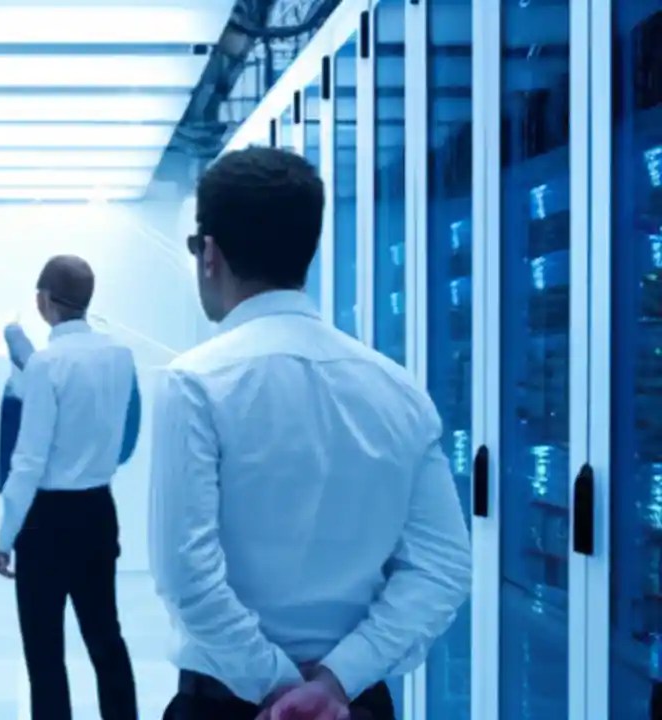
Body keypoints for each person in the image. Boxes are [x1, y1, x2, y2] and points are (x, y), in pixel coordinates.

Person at [149, 146, 472, 720]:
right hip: (354, 704)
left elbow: (185, 575)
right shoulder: (398, 390)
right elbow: (442, 567)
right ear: (310, 248)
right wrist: (334, 683)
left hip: (227, 704)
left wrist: (274, 685)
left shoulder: (195, 383)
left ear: (209, 255)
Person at [0, 255, 139, 720]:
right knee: (105, 639)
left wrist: (5, 536)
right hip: (99, 511)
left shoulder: (46, 366)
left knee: (44, 651)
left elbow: (30, 460)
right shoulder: (120, 356)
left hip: (46, 522)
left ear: (43, 302)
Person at [0, 321, 142, 493]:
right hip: (90, 492)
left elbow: (25, 465)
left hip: (50, 490)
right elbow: (124, 448)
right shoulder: (119, 358)